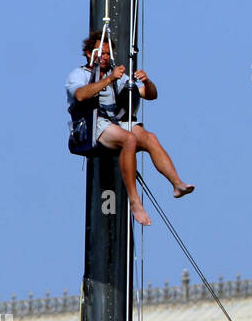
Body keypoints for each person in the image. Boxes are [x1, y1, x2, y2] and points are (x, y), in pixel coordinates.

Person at [66, 31, 193, 225]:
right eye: (101, 52)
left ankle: (177, 184)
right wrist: (108, 80)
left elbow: (149, 95)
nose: (105, 57)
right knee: (129, 140)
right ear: (88, 53)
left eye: (108, 53)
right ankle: (135, 201)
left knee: (149, 138)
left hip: (115, 121)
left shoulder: (116, 74)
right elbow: (81, 95)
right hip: (93, 124)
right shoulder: (80, 74)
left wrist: (147, 82)